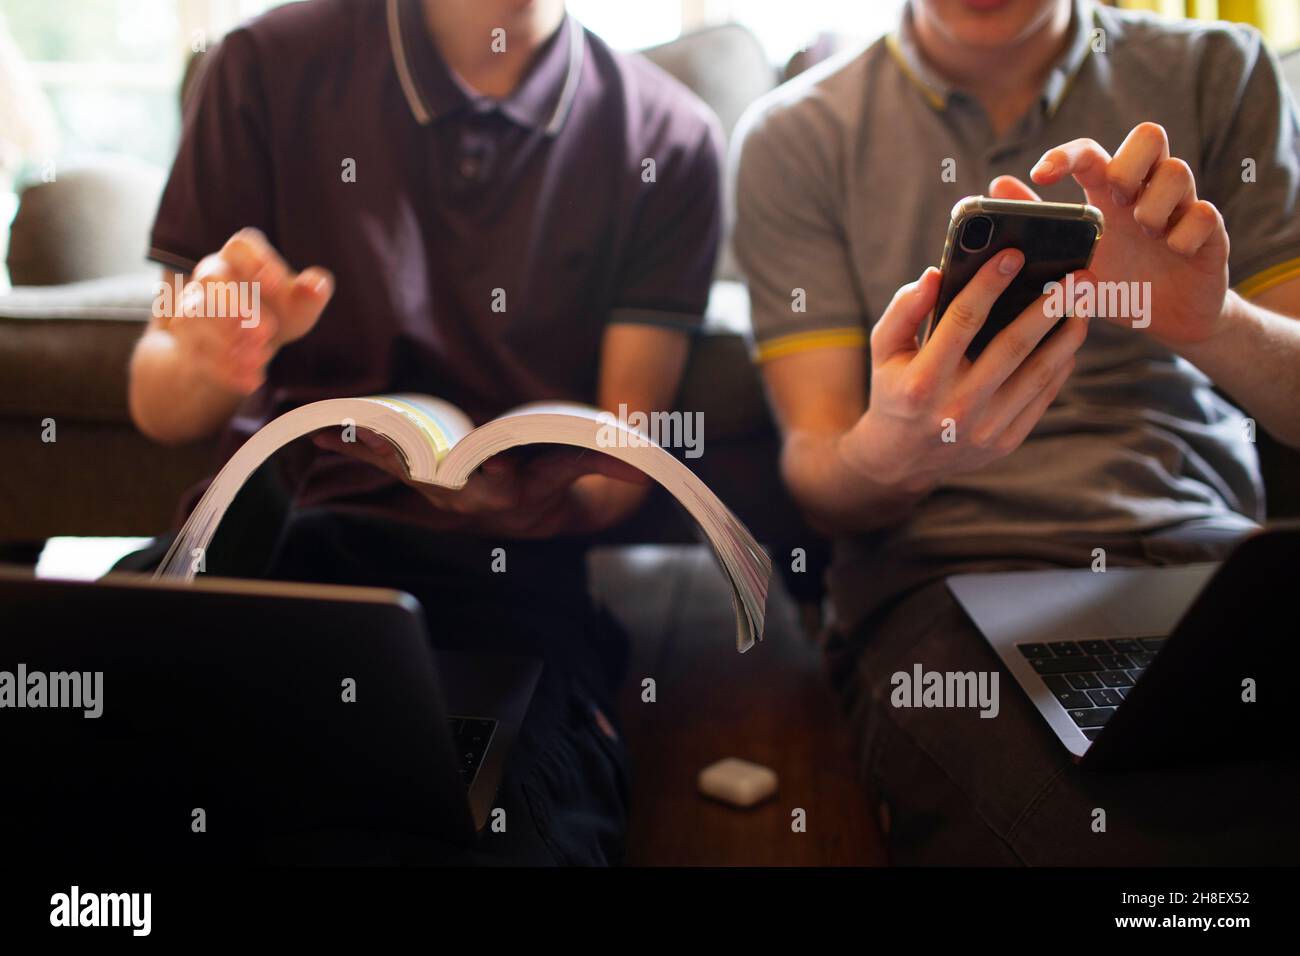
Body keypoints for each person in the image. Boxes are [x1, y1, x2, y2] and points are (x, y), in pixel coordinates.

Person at [127, 0, 723, 864]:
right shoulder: (262, 62)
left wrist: (528, 494)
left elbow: (617, 467)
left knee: (508, 826)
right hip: (265, 549)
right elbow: (157, 401)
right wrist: (209, 359)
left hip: (502, 581)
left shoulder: (670, 136)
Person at [733, 0, 1300, 864]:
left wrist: (1208, 320)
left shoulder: (1222, 71)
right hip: (944, 582)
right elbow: (818, 475)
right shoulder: (794, 133)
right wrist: (893, 452)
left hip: (1217, 568)